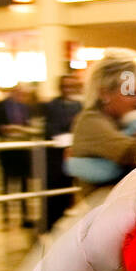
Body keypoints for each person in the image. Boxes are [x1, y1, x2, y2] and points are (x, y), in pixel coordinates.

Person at [68, 52, 136, 195]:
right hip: (101, 210)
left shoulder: (121, 121)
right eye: (131, 94)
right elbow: (130, 153)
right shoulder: (90, 121)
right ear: (104, 93)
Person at [0, 83, 36, 229]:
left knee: (24, 185)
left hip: (22, 150)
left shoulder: (25, 107)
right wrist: (3, 130)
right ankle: (6, 217)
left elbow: (29, 126)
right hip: (7, 151)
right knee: (6, 184)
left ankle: (25, 216)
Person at [42, 74, 83, 231]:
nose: (69, 89)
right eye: (66, 86)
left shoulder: (79, 105)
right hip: (55, 160)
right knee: (54, 196)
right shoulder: (51, 106)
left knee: (69, 195)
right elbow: (50, 130)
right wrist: (70, 141)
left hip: (73, 158)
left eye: (72, 86)